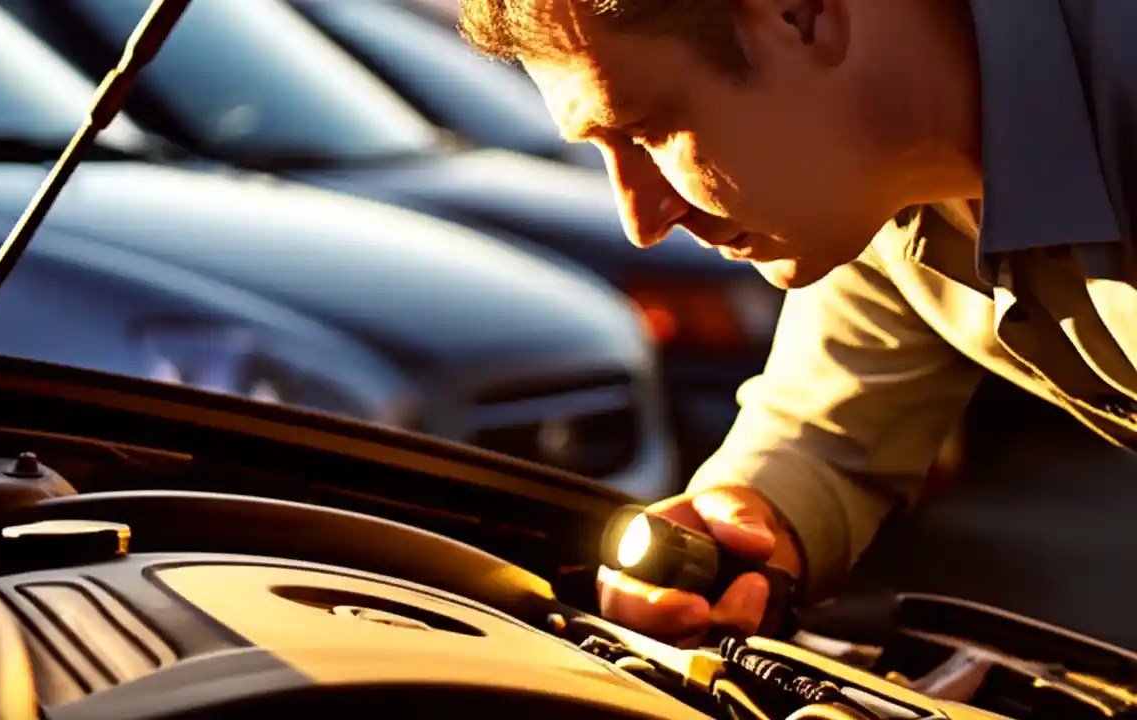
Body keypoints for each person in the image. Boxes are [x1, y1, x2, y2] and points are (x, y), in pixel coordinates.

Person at [457, 0, 1136, 645]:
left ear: (803, 13)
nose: (641, 219)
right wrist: (739, 529)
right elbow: (824, 431)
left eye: (647, 131)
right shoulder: (876, 176)